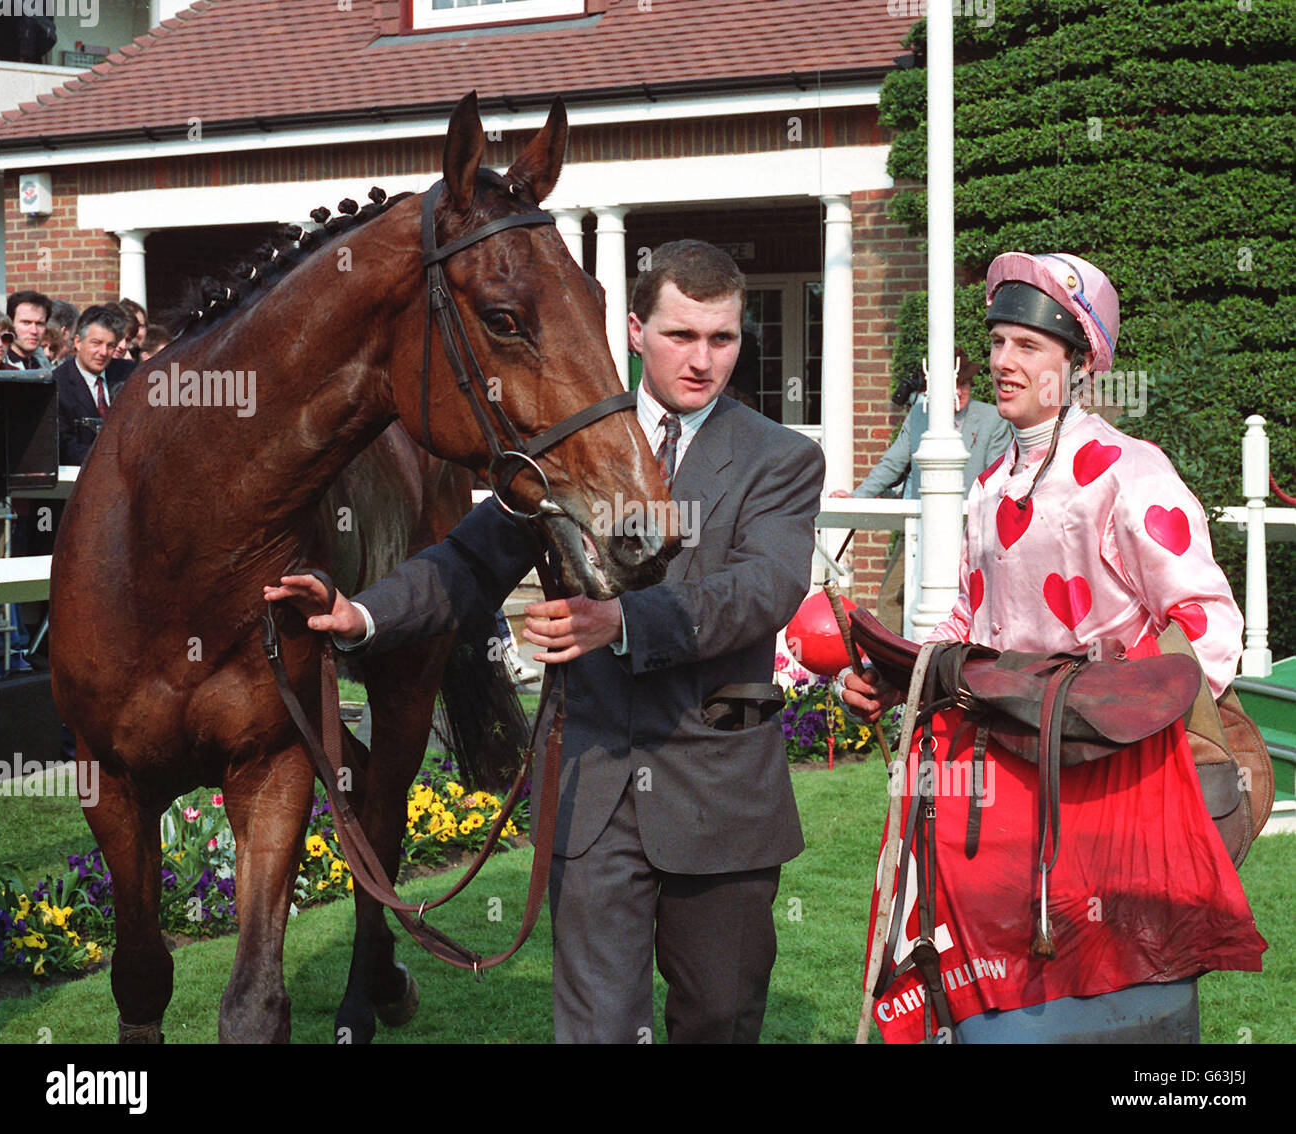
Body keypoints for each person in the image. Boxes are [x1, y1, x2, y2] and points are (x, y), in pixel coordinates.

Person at [270, 241, 825, 1044]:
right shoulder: (564, 449)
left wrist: (625, 624)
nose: (702, 360)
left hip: (719, 799)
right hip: (592, 797)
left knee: (718, 1020)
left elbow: (762, 591)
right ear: (634, 331)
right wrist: (363, 614)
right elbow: (465, 563)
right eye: (680, 335)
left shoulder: (781, 458)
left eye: (722, 339)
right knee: (597, 1029)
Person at [842, 251, 1265, 1043]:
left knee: (1112, 989)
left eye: (1027, 347)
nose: (1003, 360)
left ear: (1078, 365)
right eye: (998, 341)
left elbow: (1209, 623)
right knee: (994, 995)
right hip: (1005, 776)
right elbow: (963, 626)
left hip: (1115, 778)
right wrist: (896, 676)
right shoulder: (988, 483)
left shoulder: (1129, 472)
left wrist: (1112, 715)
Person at [831, 347, 1010, 631]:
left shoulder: (992, 419)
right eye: (952, 385)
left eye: (963, 384)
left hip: (969, 529)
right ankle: (891, 667)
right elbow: (892, 463)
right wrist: (857, 496)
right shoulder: (918, 415)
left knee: (970, 600)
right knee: (891, 595)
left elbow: (994, 479)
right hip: (918, 527)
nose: (959, 391)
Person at [54, 305, 128, 466]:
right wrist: (112, 461)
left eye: (110, 345)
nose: (103, 352)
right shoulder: (58, 385)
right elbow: (65, 447)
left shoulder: (128, 373)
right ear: (78, 342)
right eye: (96, 343)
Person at [3, 290, 52, 370]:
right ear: (10, 324)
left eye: (39, 324)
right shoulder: (0, 365)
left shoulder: (44, 364)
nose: (34, 331)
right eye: (26, 323)